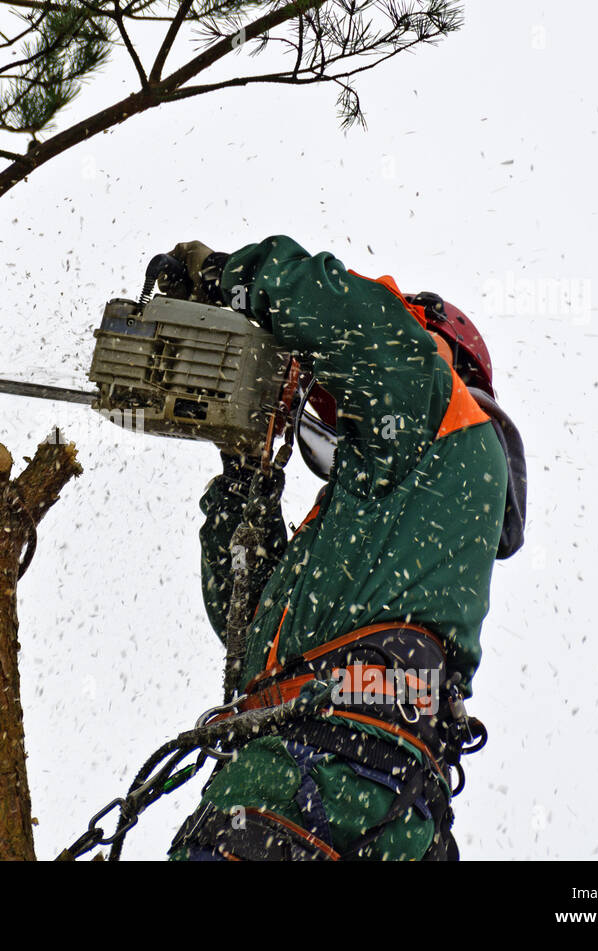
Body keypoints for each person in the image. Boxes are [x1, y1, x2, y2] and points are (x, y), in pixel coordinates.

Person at [162, 236, 525, 860]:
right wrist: (243, 485)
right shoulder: (391, 517)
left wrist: (229, 277)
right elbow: (246, 631)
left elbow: (358, 318)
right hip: (372, 802)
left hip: (310, 785)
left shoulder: (435, 405)